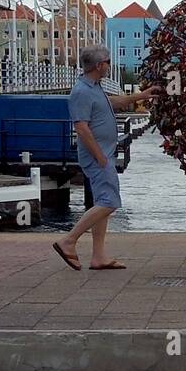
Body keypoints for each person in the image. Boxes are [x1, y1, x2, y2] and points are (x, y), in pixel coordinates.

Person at [53, 45, 158, 270]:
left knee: (103, 201)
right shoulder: (81, 92)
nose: (110, 66)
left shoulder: (95, 87)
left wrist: (141, 95)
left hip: (104, 153)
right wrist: (100, 157)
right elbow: (81, 128)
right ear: (99, 65)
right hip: (98, 156)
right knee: (110, 202)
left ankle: (98, 256)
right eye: (108, 62)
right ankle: (68, 241)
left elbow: (111, 103)